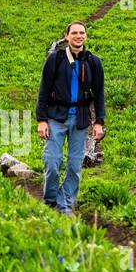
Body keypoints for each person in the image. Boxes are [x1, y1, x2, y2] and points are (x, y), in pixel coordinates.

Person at [36, 21, 105, 216]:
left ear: (86, 37)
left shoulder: (93, 62)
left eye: (82, 33)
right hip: (56, 118)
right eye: (74, 33)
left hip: (81, 120)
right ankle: (50, 200)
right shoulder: (55, 60)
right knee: (52, 162)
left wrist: (99, 121)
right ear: (66, 36)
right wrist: (41, 120)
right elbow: (43, 90)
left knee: (74, 166)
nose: (78, 36)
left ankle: (65, 205)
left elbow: (99, 93)